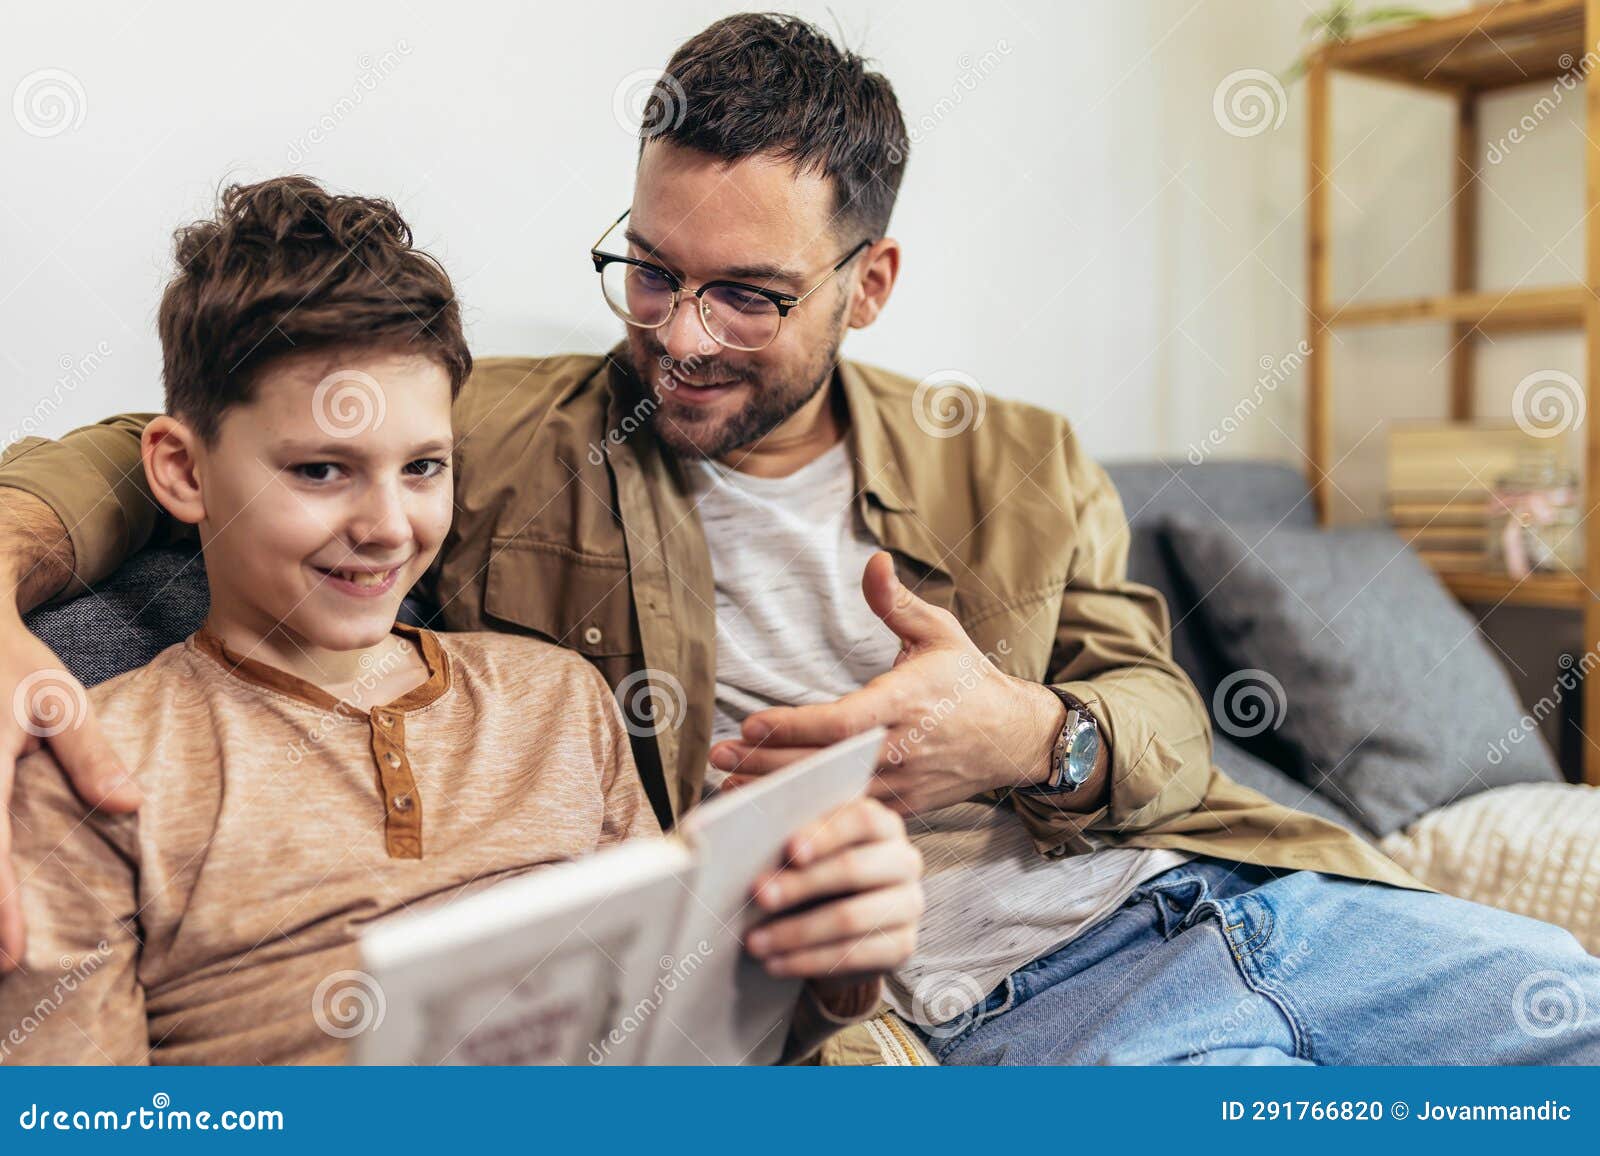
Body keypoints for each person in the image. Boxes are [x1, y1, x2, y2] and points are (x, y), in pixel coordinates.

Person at [2, 13, 1598, 1065]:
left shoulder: (1021, 465)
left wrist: (1025, 735)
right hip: (999, 1008)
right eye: (649, 268)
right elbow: (170, 451)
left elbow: (1168, 728)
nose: (680, 337)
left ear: (869, 284)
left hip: (1231, 894)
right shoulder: (487, 433)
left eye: (750, 295)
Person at [0, 175, 921, 1064]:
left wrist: (829, 972)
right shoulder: (90, 769)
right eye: (321, 470)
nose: (387, 528)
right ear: (183, 472)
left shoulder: (561, 700)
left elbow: (681, 1041)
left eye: (423, 468)